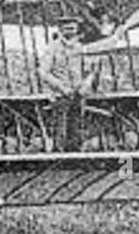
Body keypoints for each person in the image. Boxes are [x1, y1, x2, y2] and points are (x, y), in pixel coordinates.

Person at [39, 15, 97, 152]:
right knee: (60, 128)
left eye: (72, 28)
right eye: (66, 28)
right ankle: (59, 155)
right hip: (60, 94)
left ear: (77, 29)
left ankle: (75, 155)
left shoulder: (80, 48)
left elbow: (90, 70)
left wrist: (86, 84)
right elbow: (43, 72)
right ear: (60, 30)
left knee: (77, 126)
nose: (70, 31)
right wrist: (60, 86)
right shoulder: (52, 48)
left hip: (78, 93)